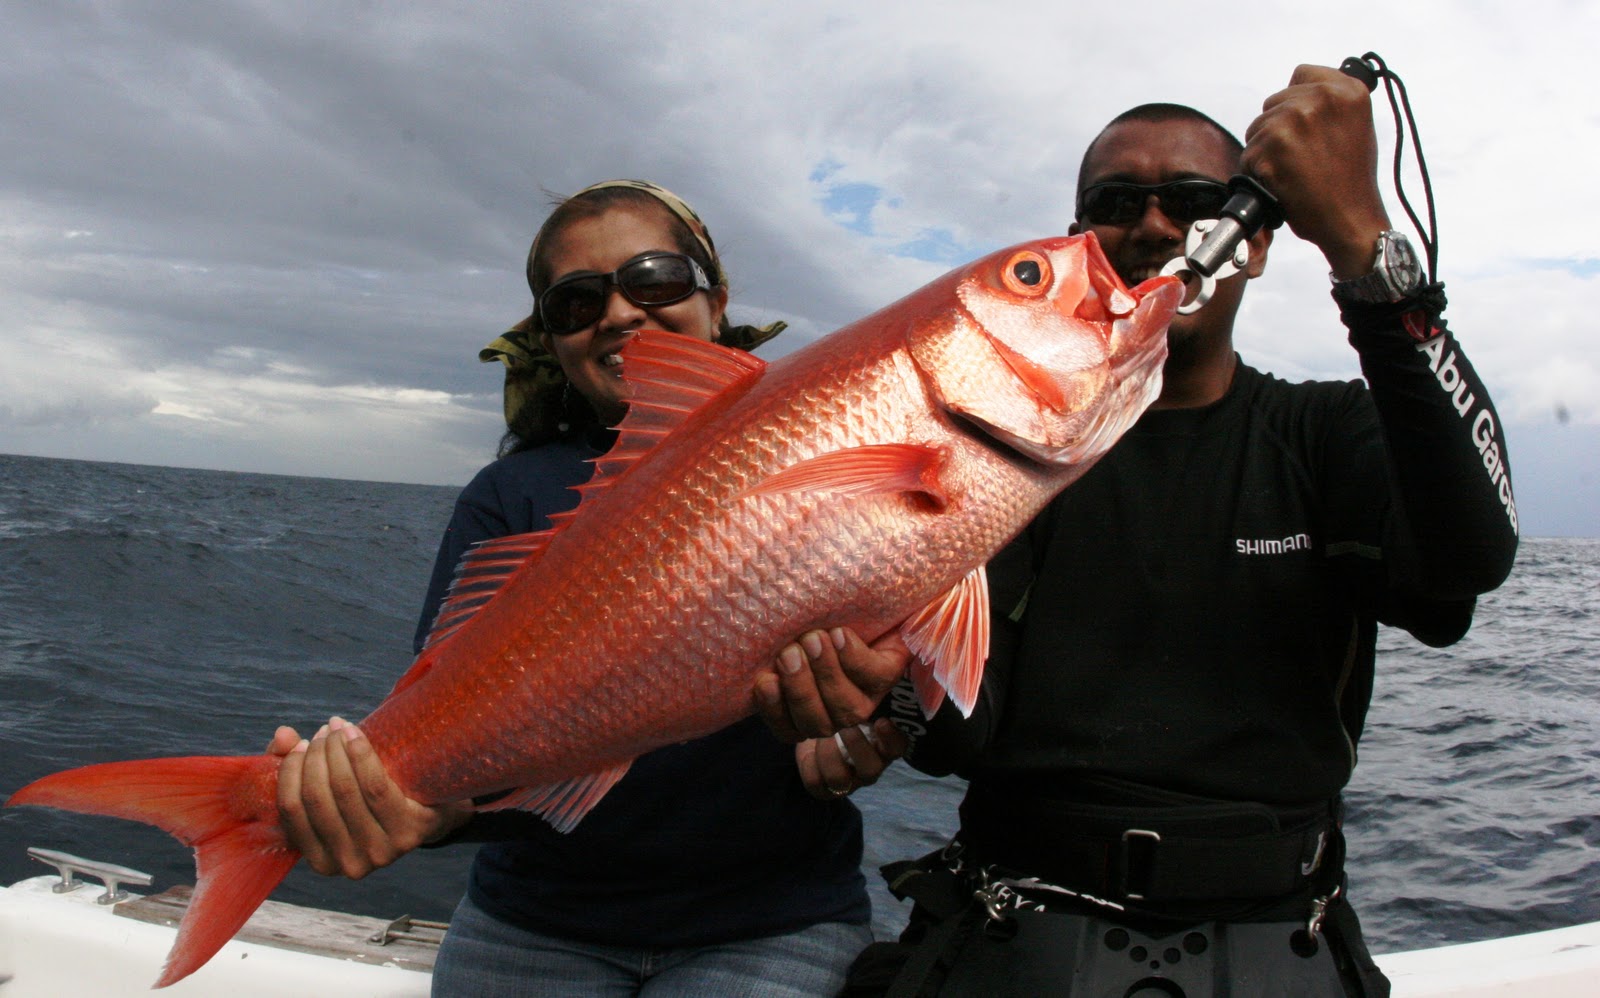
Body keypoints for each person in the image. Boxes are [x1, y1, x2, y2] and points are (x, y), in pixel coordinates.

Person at [756, 65, 1519, 996]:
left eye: (1194, 201)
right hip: (1016, 924)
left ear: (1256, 244)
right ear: (1081, 240)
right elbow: (961, 731)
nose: (1155, 227)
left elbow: (1467, 563)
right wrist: (887, 698)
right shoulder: (1005, 461)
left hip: (1280, 926)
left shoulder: (1324, 430)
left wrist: (1365, 250)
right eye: (1116, 204)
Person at [266, 180, 884, 997]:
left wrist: (875, 728)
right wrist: (419, 810)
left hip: (775, 924)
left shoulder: (838, 445)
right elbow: (462, 731)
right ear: (550, 339)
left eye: (656, 279)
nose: (621, 313)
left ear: (717, 299)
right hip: (532, 925)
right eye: (576, 301)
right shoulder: (507, 496)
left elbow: (923, 681)